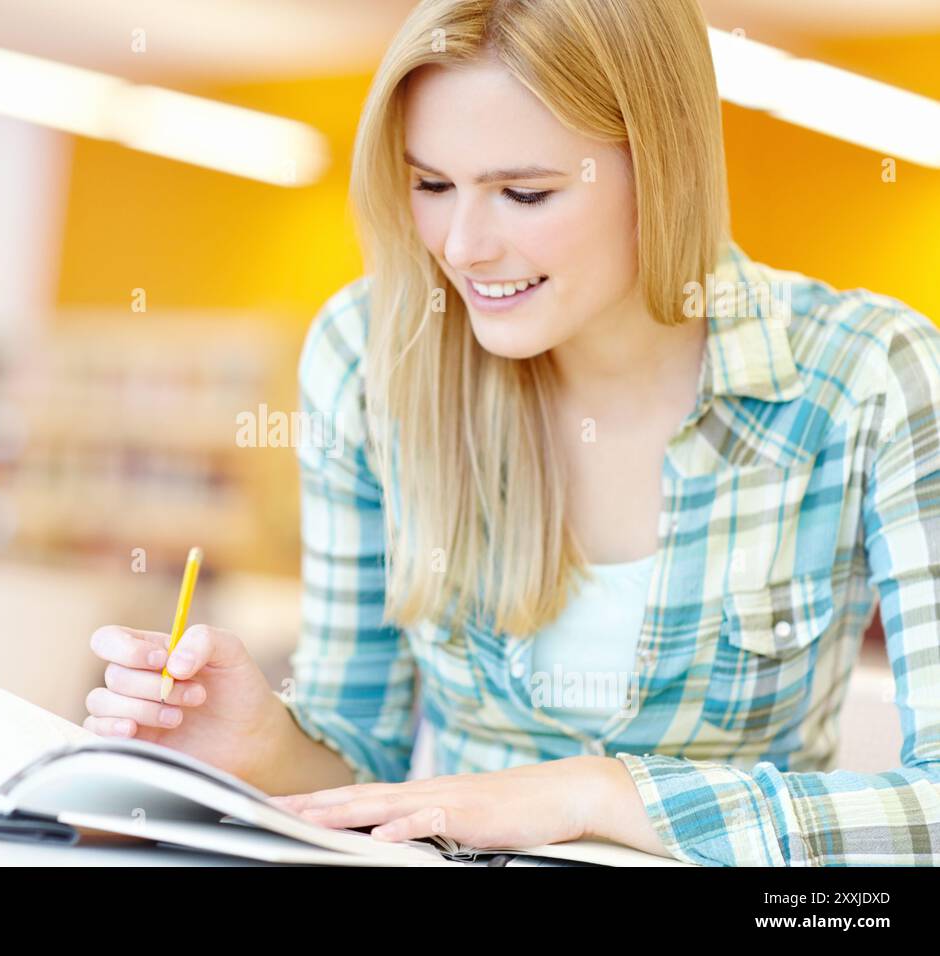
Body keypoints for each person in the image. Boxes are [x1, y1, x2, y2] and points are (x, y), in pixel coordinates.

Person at [82, 0, 940, 865]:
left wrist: (595, 795)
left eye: (524, 192)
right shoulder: (371, 356)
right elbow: (361, 761)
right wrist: (256, 747)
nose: (462, 245)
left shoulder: (870, 377)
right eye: (431, 184)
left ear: (662, 164)